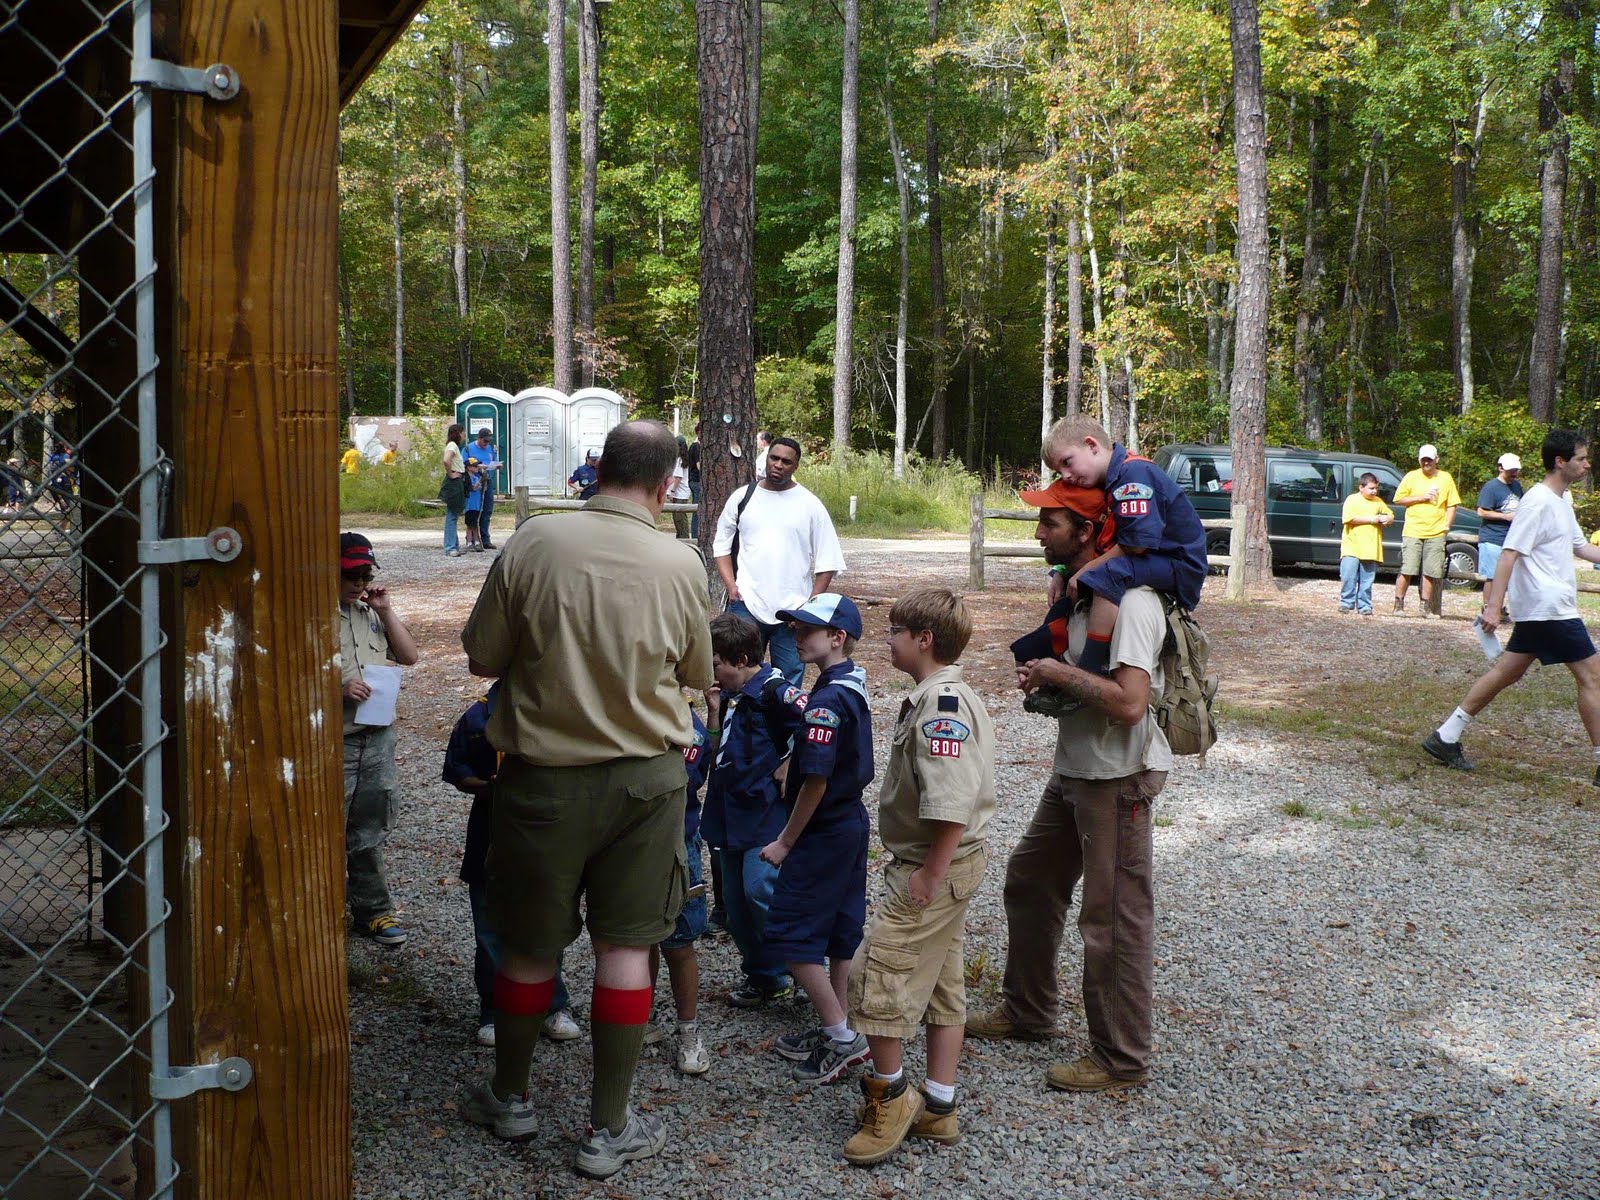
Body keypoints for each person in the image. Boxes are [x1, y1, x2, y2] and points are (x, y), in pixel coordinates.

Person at [458, 419, 714, 1180]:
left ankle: (511, 1098)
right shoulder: (680, 562)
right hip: (645, 782)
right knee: (627, 948)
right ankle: (608, 1128)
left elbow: (481, 657)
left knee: (532, 947)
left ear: (597, 468)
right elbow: (697, 669)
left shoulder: (535, 543)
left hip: (541, 780)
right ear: (666, 485)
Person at [966, 480, 1170, 1093]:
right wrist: (1051, 676)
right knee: (1030, 878)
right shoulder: (1083, 594)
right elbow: (1089, 678)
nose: (1037, 534)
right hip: (1078, 769)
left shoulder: (1133, 603)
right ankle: (1029, 1010)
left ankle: (1120, 1059)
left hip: (1118, 779)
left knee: (1112, 920)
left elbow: (1131, 704)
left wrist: (1058, 673)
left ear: (1087, 532)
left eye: (1050, 524)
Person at [841, 587, 995, 1166]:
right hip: (951, 866)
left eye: (896, 632)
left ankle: (892, 1095)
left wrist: (927, 874)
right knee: (941, 982)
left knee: (875, 973)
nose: (888, 640)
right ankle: (941, 1104)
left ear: (924, 640)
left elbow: (950, 801)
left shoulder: (942, 707)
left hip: (934, 867)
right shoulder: (941, 695)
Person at [1423, 429, 1600, 782]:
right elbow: (1508, 555)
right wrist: (1492, 605)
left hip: (1546, 608)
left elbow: (1582, 548)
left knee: (1508, 671)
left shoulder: (1562, 501)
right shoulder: (1536, 502)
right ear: (1560, 462)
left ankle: (1446, 736)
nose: (1587, 464)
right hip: (1548, 607)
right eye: (1580, 458)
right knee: (1594, 676)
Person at [761, 594, 875, 1087]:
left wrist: (786, 841)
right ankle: (840, 1024)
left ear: (837, 638)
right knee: (841, 928)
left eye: (806, 630)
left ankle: (842, 1038)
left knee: (793, 932)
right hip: (850, 823)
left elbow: (817, 781)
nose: (795, 637)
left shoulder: (826, 701)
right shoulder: (849, 684)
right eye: (792, 628)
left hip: (822, 829)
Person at [442, 687, 582, 1047]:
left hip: (547, 838)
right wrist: (485, 788)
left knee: (546, 923)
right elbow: (457, 771)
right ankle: (494, 1009)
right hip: (490, 837)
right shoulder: (478, 717)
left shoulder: (559, 709)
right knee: (490, 928)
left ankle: (552, 1005)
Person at [1045, 415, 1207, 677]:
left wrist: (1086, 572)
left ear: (1092, 445)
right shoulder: (1115, 475)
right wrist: (1063, 570)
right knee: (1089, 573)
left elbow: (1135, 545)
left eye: (1067, 462)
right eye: (1058, 471)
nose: (1065, 475)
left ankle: (1090, 666)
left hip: (1178, 564)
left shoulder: (1133, 475)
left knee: (1107, 574)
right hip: (1156, 557)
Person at [702, 612, 807, 1009]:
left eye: (715, 664)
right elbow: (714, 750)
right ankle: (763, 976)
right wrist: (713, 712)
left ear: (742, 660)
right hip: (727, 812)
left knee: (759, 889)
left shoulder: (773, 691)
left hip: (763, 811)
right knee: (733, 903)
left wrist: (791, 760)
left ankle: (799, 968)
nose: (710, 672)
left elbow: (818, 721)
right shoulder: (728, 695)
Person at [338, 532, 420, 948]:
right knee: (324, 830)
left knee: (369, 829)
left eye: (365, 573)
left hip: (376, 738)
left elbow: (408, 656)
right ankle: (321, 909)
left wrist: (386, 611)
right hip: (335, 741)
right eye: (350, 573)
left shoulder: (369, 613)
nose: (358, 582)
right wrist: (336, 687)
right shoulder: (311, 617)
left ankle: (372, 911)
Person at [712, 437, 847, 686]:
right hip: (746, 604)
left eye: (786, 461)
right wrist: (731, 586)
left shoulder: (810, 505)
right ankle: (733, 724)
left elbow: (828, 562)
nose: (778, 465)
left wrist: (809, 606)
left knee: (787, 684)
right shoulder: (743, 498)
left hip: (792, 612)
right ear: (766, 458)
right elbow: (721, 545)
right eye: (774, 458)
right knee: (736, 676)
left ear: (796, 466)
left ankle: (783, 726)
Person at [643, 702, 714, 1076]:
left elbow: (680, 778)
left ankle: (688, 1030)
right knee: (639, 939)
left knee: (679, 942)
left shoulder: (689, 725)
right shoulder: (629, 708)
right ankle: (643, 1018)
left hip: (677, 845)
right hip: (634, 845)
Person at [1391, 443, 1461, 618]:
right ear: (1419, 460)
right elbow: (1398, 499)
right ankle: (1398, 605)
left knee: (1431, 572)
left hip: (1436, 531)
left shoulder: (1446, 478)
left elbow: (1452, 504)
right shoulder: (1411, 477)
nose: (1426, 463)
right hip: (1413, 530)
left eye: (1429, 459)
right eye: (1423, 460)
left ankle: (1425, 607)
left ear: (1436, 459)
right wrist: (1421, 498)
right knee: (1408, 569)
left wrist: (1447, 525)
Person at [1339, 472, 1394, 615]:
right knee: (1348, 577)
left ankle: (1365, 606)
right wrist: (1372, 519)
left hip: (1371, 548)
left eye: (1376, 488)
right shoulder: (1352, 500)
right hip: (1352, 546)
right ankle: (1346, 603)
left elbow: (1390, 514)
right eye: (1371, 488)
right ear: (1361, 487)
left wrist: (1388, 519)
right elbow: (1348, 518)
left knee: (1367, 581)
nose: (1374, 491)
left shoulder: (1378, 501)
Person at [1476, 453, 1524, 583]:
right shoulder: (1491, 487)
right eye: (1511, 470)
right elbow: (1481, 512)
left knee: (1510, 578)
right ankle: (1488, 604)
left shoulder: (1516, 486)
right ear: (1501, 468)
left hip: (1511, 539)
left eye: (1516, 470)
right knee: (1491, 578)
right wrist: (1506, 517)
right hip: (1492, 538)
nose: (1514, 473)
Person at [469, 428, 502, 549]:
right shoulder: (469, 448)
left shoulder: (489, 448)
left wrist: (497, 465)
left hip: (487, 480)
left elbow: (493, 460)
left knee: (487, 510)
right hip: (475, 481)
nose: (486, 443)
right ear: (479, 438)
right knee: (475, 510)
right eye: (484, 441)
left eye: (488, 441)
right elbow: (463, 464)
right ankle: (472, 538)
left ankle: (485, 538)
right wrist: (477, 466)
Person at [442, 424, 468, 558]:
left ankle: (454, 545)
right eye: (463, 433)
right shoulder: (452, 445)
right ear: (458, 433)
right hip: (454, 481)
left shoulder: (454, 446)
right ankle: (450, 547)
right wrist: (451, 474)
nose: (464, 436)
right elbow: (446, 460)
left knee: (454, 514)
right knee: (452, 515)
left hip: (458, 480)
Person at [669, 438, 693, 539]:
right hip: (681, 492)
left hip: (680, 492)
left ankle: (683, 537)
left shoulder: (679, 460)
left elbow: (678, 477)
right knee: (678, 516)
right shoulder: (682, 459)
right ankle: (681, 536)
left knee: (679, 517)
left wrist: (672, 491)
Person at [463, 457, 486, 553]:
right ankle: (469, 542)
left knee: (475, 523)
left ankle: (476, 542)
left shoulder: (476, 477)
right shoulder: (467, 478)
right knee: (469, 524)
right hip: (470, 505)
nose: (477, 467)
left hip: (477, 504)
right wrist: (481, 480)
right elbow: (473, 488)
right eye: (475, 466)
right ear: (468, 467)